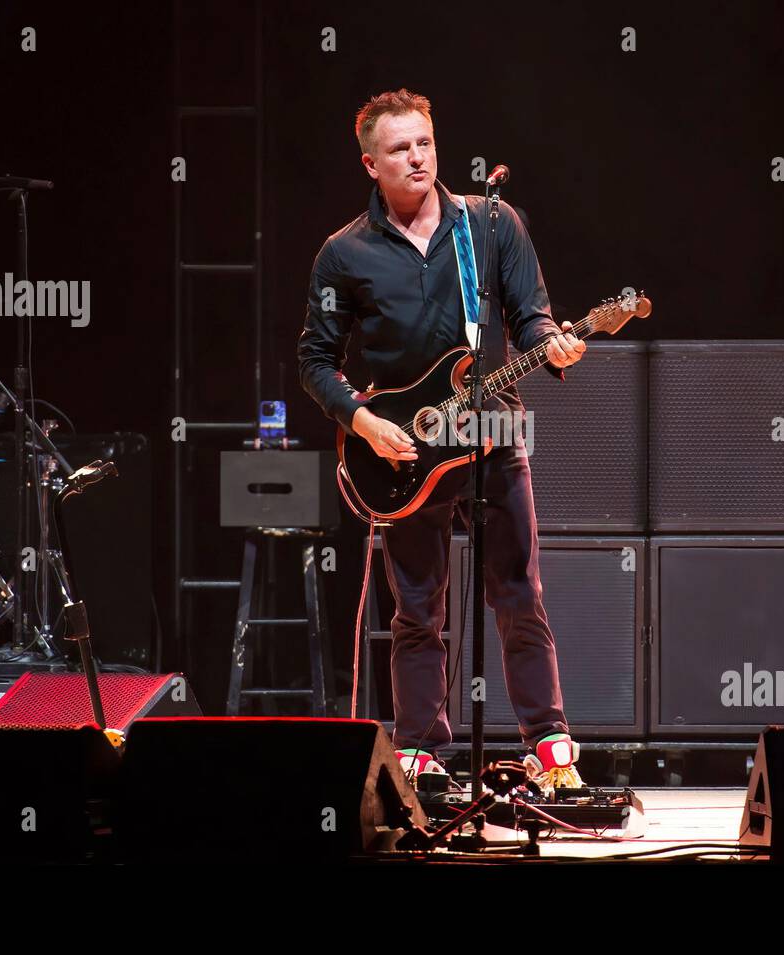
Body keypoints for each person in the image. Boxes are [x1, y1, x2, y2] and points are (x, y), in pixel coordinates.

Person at [297, 88, 586, 793]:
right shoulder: (343, 253)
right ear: (371, 163)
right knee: (418, 608)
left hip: (492, 433)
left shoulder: (490, 224)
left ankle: (549, 746)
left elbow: (533, 316)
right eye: (399, 149)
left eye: (424, 142)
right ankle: (421, 748)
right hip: (407, 450)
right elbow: (315, 361)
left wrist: (555, 344)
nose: (417, 157)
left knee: (519, 592)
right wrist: (363, 421)